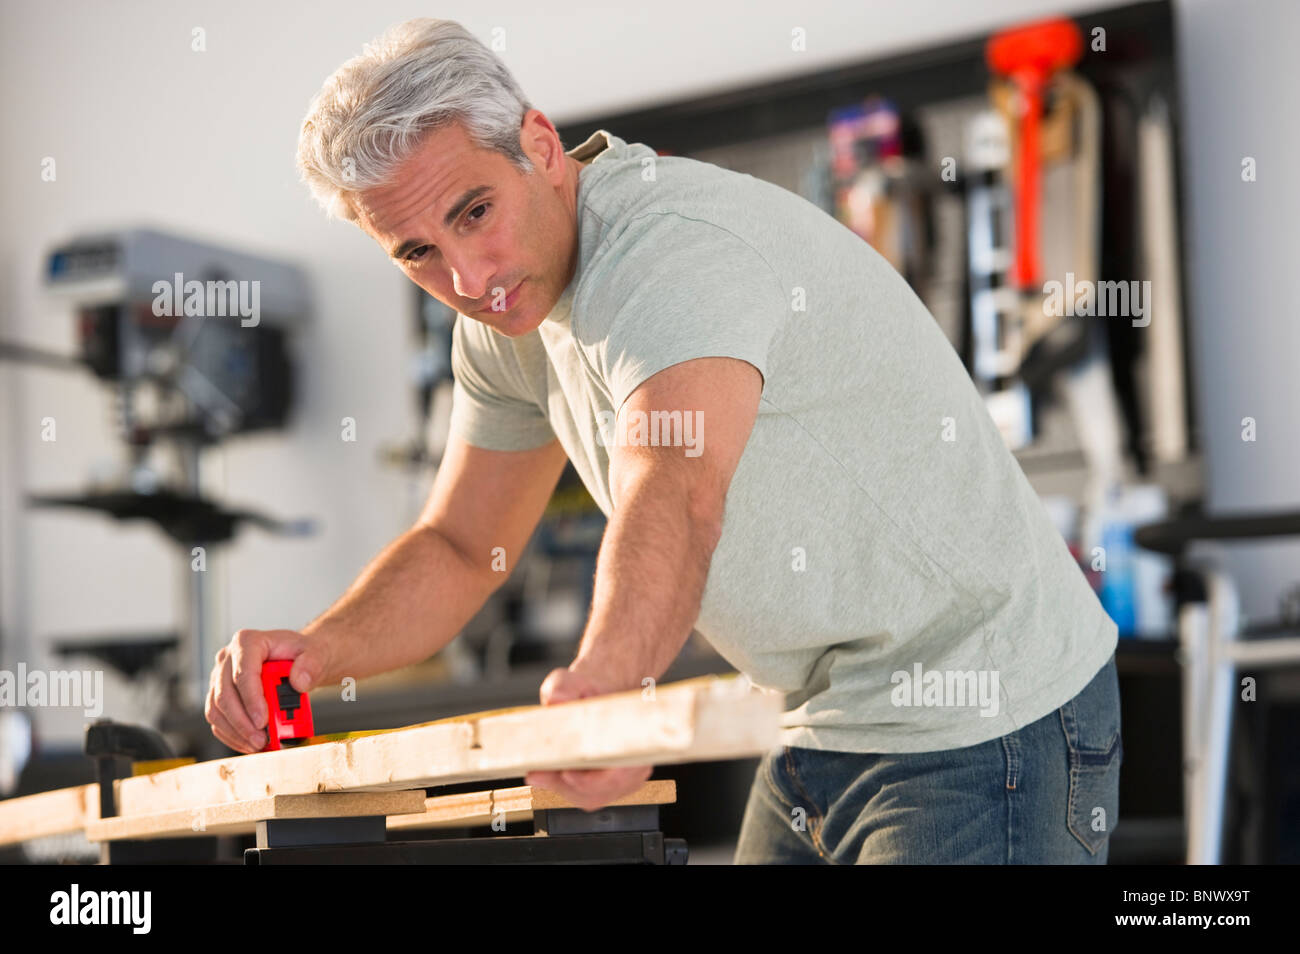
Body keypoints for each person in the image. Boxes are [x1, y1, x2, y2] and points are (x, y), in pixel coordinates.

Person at [205, 17, 1122, 864]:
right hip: (823, 724)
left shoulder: (665, 250)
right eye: (415, 253)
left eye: (473, 212)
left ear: (538, 145)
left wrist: (605, 693)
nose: (468, 276)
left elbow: (676, 487)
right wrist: (315, 653)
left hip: (988, 713)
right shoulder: (503, 324)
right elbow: (458, 547)